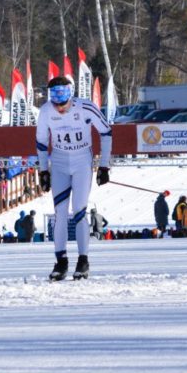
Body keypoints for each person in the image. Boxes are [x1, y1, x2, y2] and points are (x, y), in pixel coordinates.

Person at [36, 76, 112, 281]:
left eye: (63, 104)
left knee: (79, 211)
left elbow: (106, 132)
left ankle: (83, 260)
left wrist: (104, 165)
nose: (59, 108)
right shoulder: (45, 111)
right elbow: (42, 142)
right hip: (59, 161)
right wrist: (44, 171)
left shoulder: (86, 108)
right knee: (60, 213)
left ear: (71, 96)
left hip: (82, 161)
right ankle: (61, 261)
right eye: (55, 103)